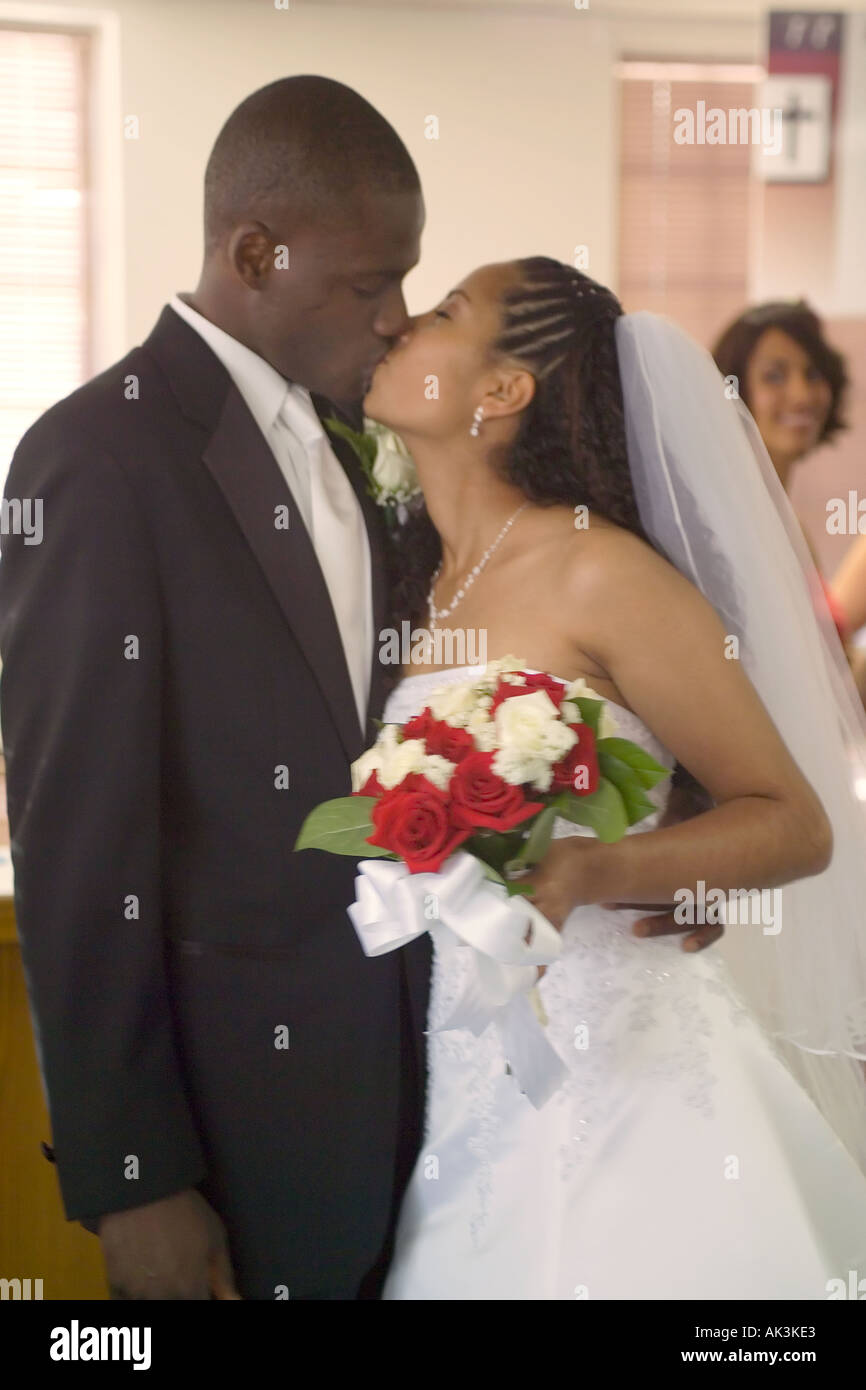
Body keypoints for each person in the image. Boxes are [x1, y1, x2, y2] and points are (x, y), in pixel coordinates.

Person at [0, 74, 432, 1301]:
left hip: (413, 1109)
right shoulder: (96, 457)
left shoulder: (360, 441)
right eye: (368, 284)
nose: (397, 315)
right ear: (255, 251)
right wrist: (133, 1176)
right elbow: (75, 845)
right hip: (238, 1135)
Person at [360, 257, 866, 1299]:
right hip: (461, 1075)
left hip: (624, 1071)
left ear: (503, 391)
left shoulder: (599, 570)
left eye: (446, 311)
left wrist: (595, 871)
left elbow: (791, 823)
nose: (404, 321)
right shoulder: (412, 568)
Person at [712, 300, 851, 642]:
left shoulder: (792, 524)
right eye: (775, 376)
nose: (802, 395)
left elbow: (833, 669)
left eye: (813, 374)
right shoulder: (732, 522)